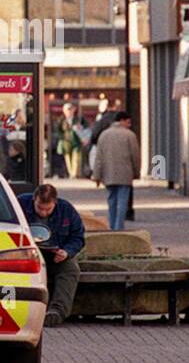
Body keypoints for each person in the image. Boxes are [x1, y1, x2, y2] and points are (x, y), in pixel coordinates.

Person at [17, 184, 85, 327]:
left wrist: (67, 252)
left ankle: (57, 312)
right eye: (40, 208)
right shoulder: (19, 204)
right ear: (34, 199)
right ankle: (9, 307)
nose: (43, 213)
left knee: (70, 269)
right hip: (27, 255)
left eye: (48, 209)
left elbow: (78, 237)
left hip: (55, 256)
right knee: (8, 272)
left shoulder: (66, 209)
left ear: (55, 202)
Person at [93, 111, 140, 231]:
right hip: (125, 174)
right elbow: (135, 156)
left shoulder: (104, 135)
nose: (129, 125)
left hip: (108, 174)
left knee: (111, 201)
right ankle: (119, 227)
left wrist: (97, 175)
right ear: (122, 120)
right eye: (128, 122)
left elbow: (99, 157)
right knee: (122, 201)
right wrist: (136, 172)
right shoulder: (130, 135)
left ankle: (112, 226)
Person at [54, 103, 83, 179]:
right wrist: (62, 138)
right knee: (68, 158)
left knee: (76, 157)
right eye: (67, 109)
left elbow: (85, 128)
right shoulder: (61, 119)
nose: (69, 111)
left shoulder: (78, 119)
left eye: (70, 109)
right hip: (66, 142)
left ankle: (74, 173)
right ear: (64, 111)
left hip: (76, 141)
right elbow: (58, 130)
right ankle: (71, 173)